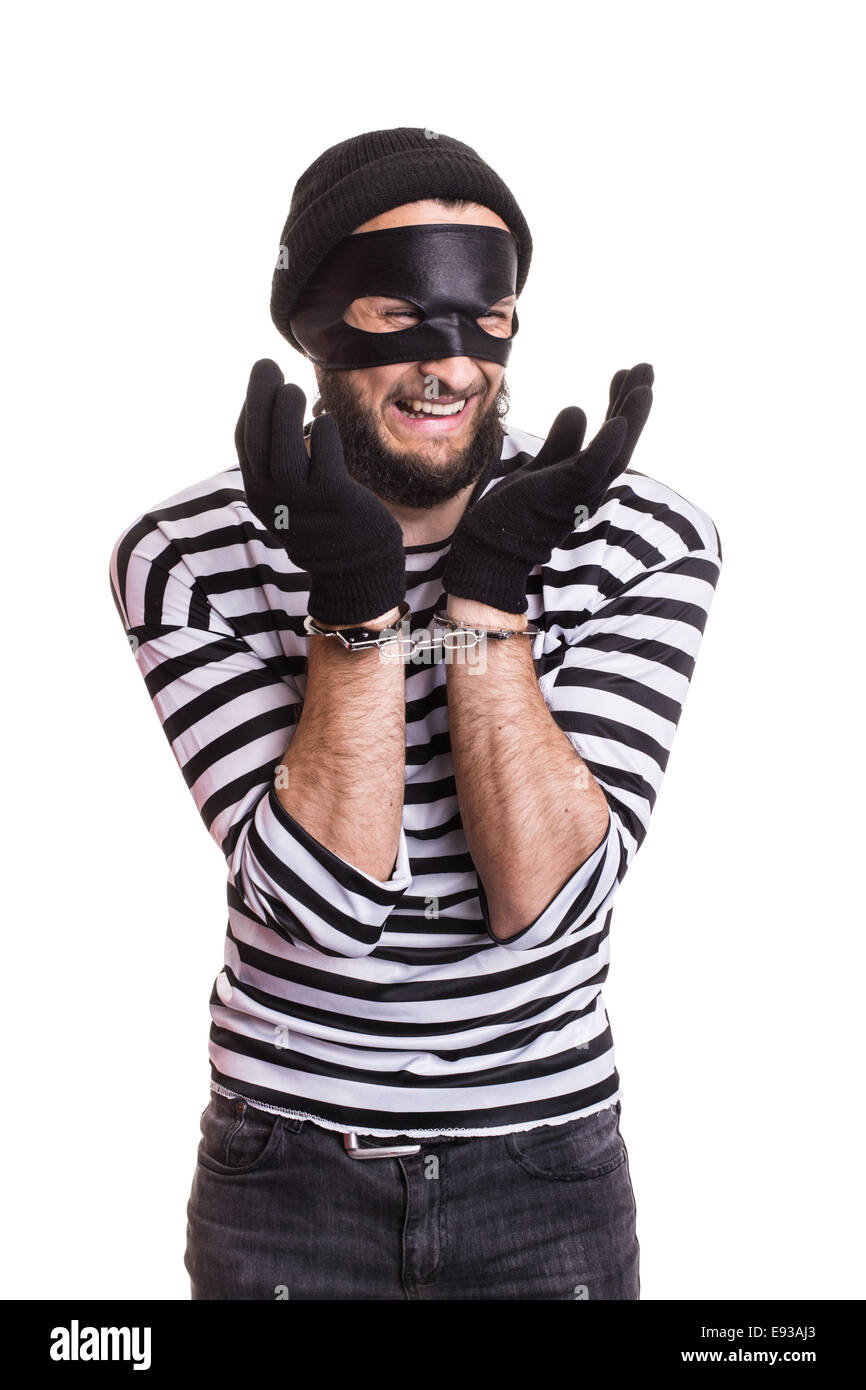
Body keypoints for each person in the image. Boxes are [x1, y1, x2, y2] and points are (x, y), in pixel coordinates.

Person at [108, 127, 722, 1301]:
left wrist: (490, 588)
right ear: (312, 325)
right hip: (285, 1169)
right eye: (396, 317)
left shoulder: (638, 539)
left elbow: (543, 910)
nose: (448, 366)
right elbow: (328, 904)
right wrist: (352, 606)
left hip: (544, 1170)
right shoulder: (184, 555)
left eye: (483, 322)